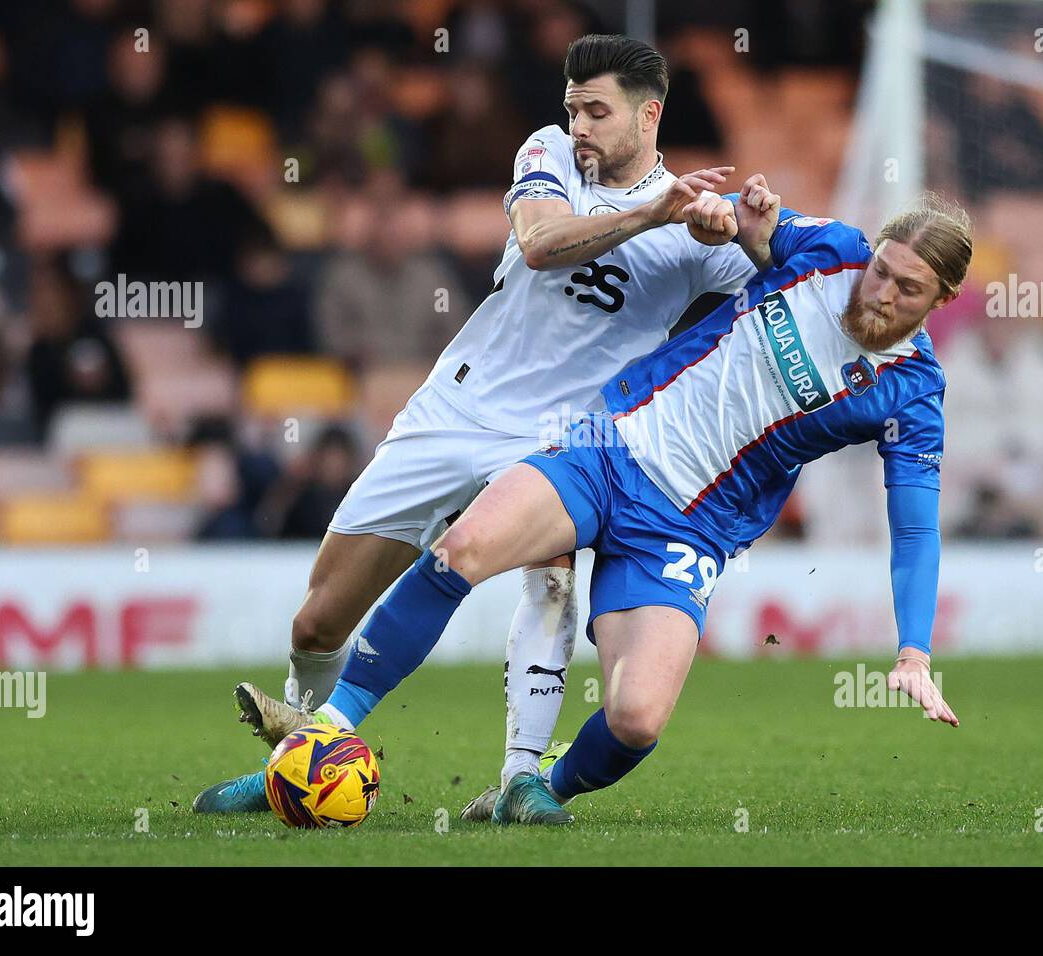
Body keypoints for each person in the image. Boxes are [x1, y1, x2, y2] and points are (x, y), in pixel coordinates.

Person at [231, 177, 969, 826]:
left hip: (691, 528)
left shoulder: (914, 396)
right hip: (612, 444)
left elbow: (913, 533)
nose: (881, 293)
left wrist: (913, 650)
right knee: (461, 550)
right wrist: (736, 213)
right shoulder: (830, 252)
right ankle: (322, 733)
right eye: (883, 271)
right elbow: (746, 225)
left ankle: (535, 787)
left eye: (908, 289)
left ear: (943, 300)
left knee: (637, 720)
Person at [192, 34, 754, 818]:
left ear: (649, 114)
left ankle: (520, 776)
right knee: (318, 620)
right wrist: (648, 213)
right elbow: (540, 243)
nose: (581, 123)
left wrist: (746, 226)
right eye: (574, 107)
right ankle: (301, 760)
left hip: (565, 437)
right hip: (457, 406)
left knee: (551, 575)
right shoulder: (549, 152)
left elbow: (782, 270)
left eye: (598, 110)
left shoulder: (690, 219)